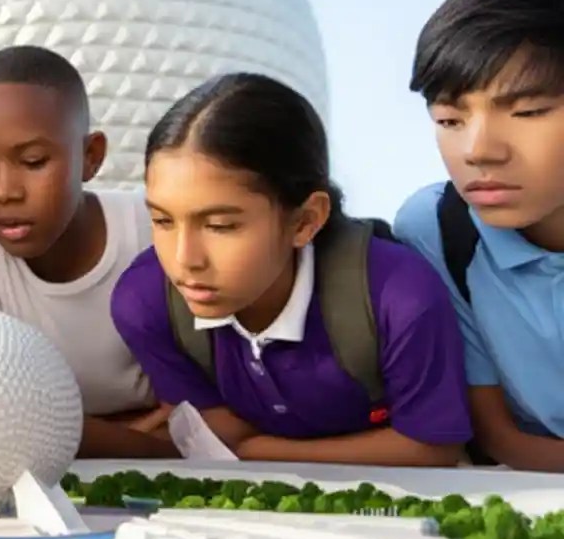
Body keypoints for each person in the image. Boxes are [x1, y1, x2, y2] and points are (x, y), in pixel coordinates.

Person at [111, 72, 473, 466]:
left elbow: (431, 447)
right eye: (163, 221)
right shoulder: (144, 302)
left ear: (305, 221)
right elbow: (211, 426)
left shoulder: (397, 295)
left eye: (220, 226)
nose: (184, 259)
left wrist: (258, 451)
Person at [0, 45, 176, 458]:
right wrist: (146, 438)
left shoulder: (152, 228)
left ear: (91, 156)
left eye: (32, 161)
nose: (3, 191)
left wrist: (43, 428)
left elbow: (206, 413)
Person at [394, 0, 564, 471]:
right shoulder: (437, 230)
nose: (478, 151)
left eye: (529, 110)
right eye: (449, 120)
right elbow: (500, 437)